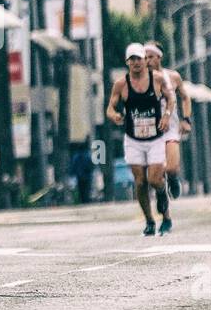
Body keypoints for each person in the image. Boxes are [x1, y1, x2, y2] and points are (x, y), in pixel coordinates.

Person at [106, 42, 174, 235]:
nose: (136, 63)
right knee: (140, 182)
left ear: (145, 60)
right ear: (127, 62)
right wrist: (114, 115)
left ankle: (164, 203)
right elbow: (110, 107)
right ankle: (150, 221)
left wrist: (167, 115)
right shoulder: (121, 84)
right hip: (133, 138)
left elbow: (171, 98)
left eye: (139, 58)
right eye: (132, 59)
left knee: (154, 179)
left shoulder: (158, 79)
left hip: (155, 138)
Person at [144, 42, 190, 203]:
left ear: (159, 57)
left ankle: (172, 179)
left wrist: (186, 119)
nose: (147, 61)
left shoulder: (173, 76)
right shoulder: (141, 79)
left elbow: (185, 97)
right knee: (154, 176)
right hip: (150, 130)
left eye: (150, 57)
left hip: (170, 128)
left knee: (171, 168)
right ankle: (161, 192)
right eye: (144, 58)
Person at [70, 138, 95, 205]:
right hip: (87, 176)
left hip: (79, 176)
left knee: (81, 190)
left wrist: (72, 174)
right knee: (87, 190)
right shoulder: (88, 155)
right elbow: (92, 166)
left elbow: (73, 166)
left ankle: (83, 201)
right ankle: (86, 201)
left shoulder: (76, 156)